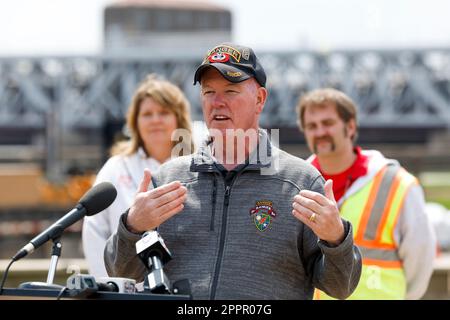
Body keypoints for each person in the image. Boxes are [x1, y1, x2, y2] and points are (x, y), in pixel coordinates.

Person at [104, 43, 362, 299]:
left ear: (260, 99)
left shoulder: (300, 181)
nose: (217, 102)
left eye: (230, 91)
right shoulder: (167, 180)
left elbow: (340, 287)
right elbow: (121, 271)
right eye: (208, 92)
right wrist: (132, 227)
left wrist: (336, 239)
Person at [296, 88, 436, 300]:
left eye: (328, 123)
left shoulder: (398, 184)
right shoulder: (295, 183)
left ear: (350, 126)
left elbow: (421, 257)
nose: (319, 132)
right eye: (311, 126)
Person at [82, 74, 195, 277]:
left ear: (179, 118)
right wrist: (108, 288)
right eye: (147, 114)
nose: (155, 120)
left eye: (163, 112)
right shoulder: (116, 167)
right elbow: (94, 230)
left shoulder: (198, 165)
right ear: (135, 121)